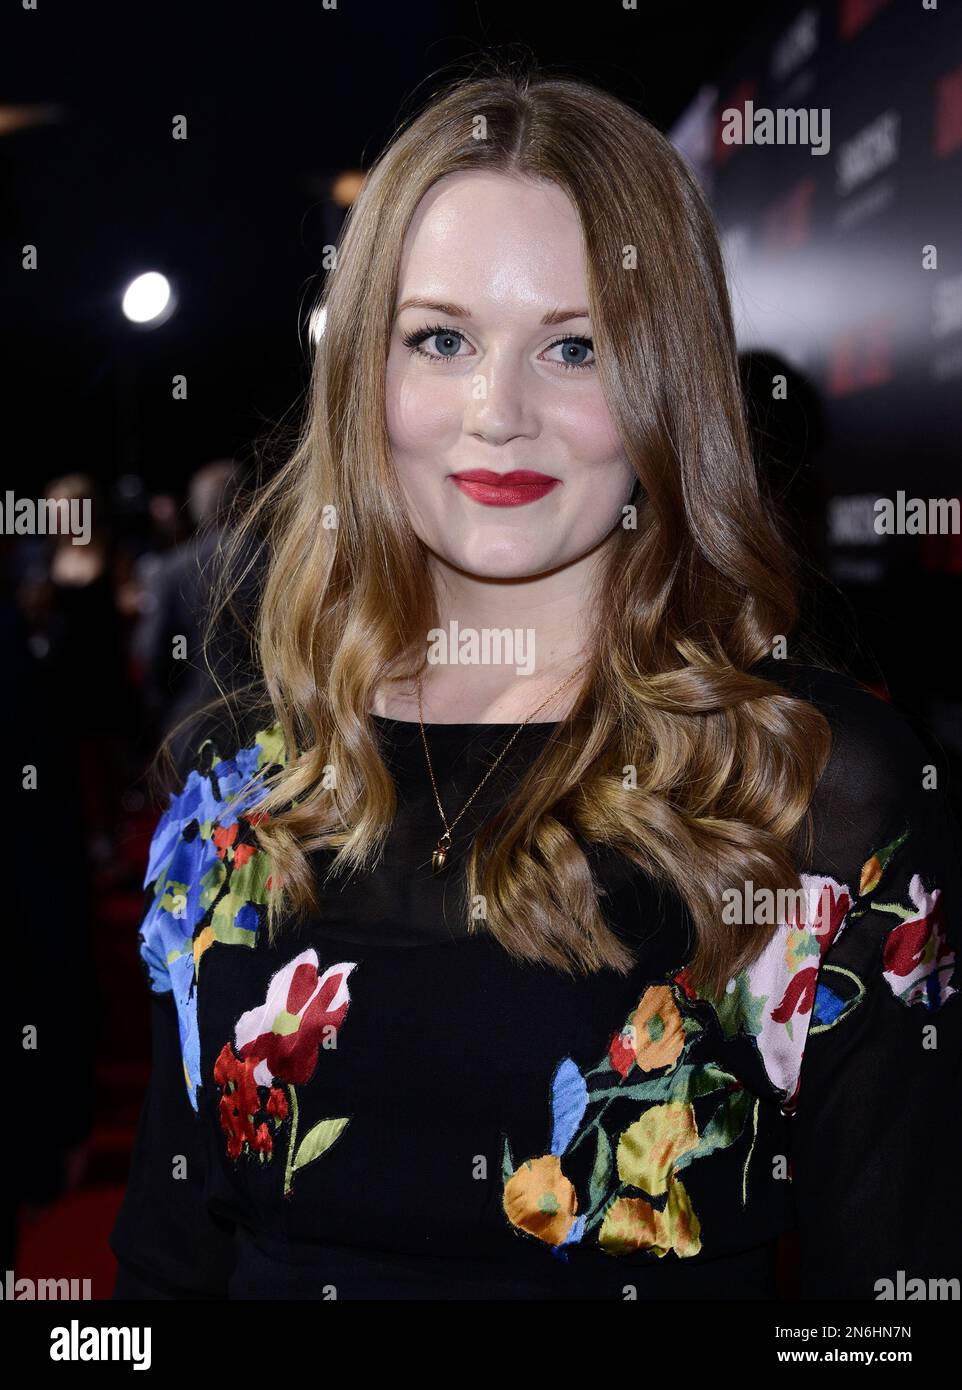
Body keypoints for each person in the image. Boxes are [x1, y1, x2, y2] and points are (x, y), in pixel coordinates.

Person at [108, 62, 961, 1301]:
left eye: (574, 346)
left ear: (663, 382)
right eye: (440, 338)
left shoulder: (812, 799)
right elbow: (164, 1256)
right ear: (363, 374)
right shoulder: (235, 783)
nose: (494, 412)